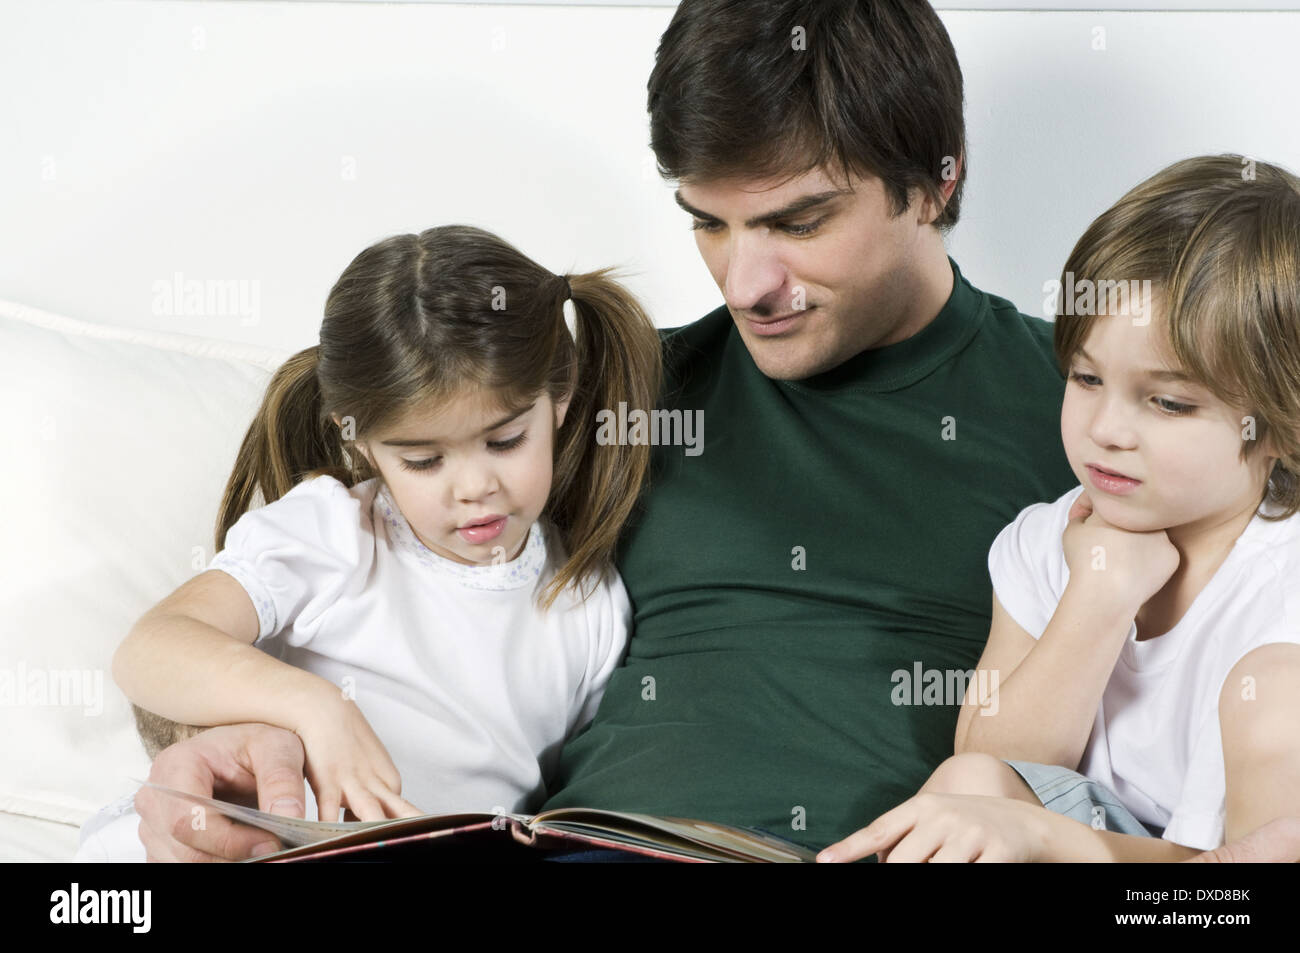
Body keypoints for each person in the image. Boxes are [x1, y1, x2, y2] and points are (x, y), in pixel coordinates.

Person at [122, 0, 1297, 862]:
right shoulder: (607, 396)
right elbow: (352, 587)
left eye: (798, 220)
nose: (747, 282)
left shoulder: (1104, 418)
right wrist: (230, 732)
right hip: (582, 848)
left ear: (935, 182)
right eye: (709, 223)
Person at [73, 225, 662, 860]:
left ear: (561, 399)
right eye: (424, 461)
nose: (474, 488)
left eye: (504, 442)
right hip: (248, 842)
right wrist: (316, 707)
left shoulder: (587, 604)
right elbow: (150, 648)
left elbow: (570, 808)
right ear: (359, 441)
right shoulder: (334, 533)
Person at [819, 155, 1300, 862]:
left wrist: (1046, 839)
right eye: (1086, 377)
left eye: (1169, 402)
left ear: (1281, 425)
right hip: (1106, 847)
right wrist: (1098, 598)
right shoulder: (1045, 542)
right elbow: (990, 762)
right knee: (971, 783)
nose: (1106, 429)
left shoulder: (1281, 599)